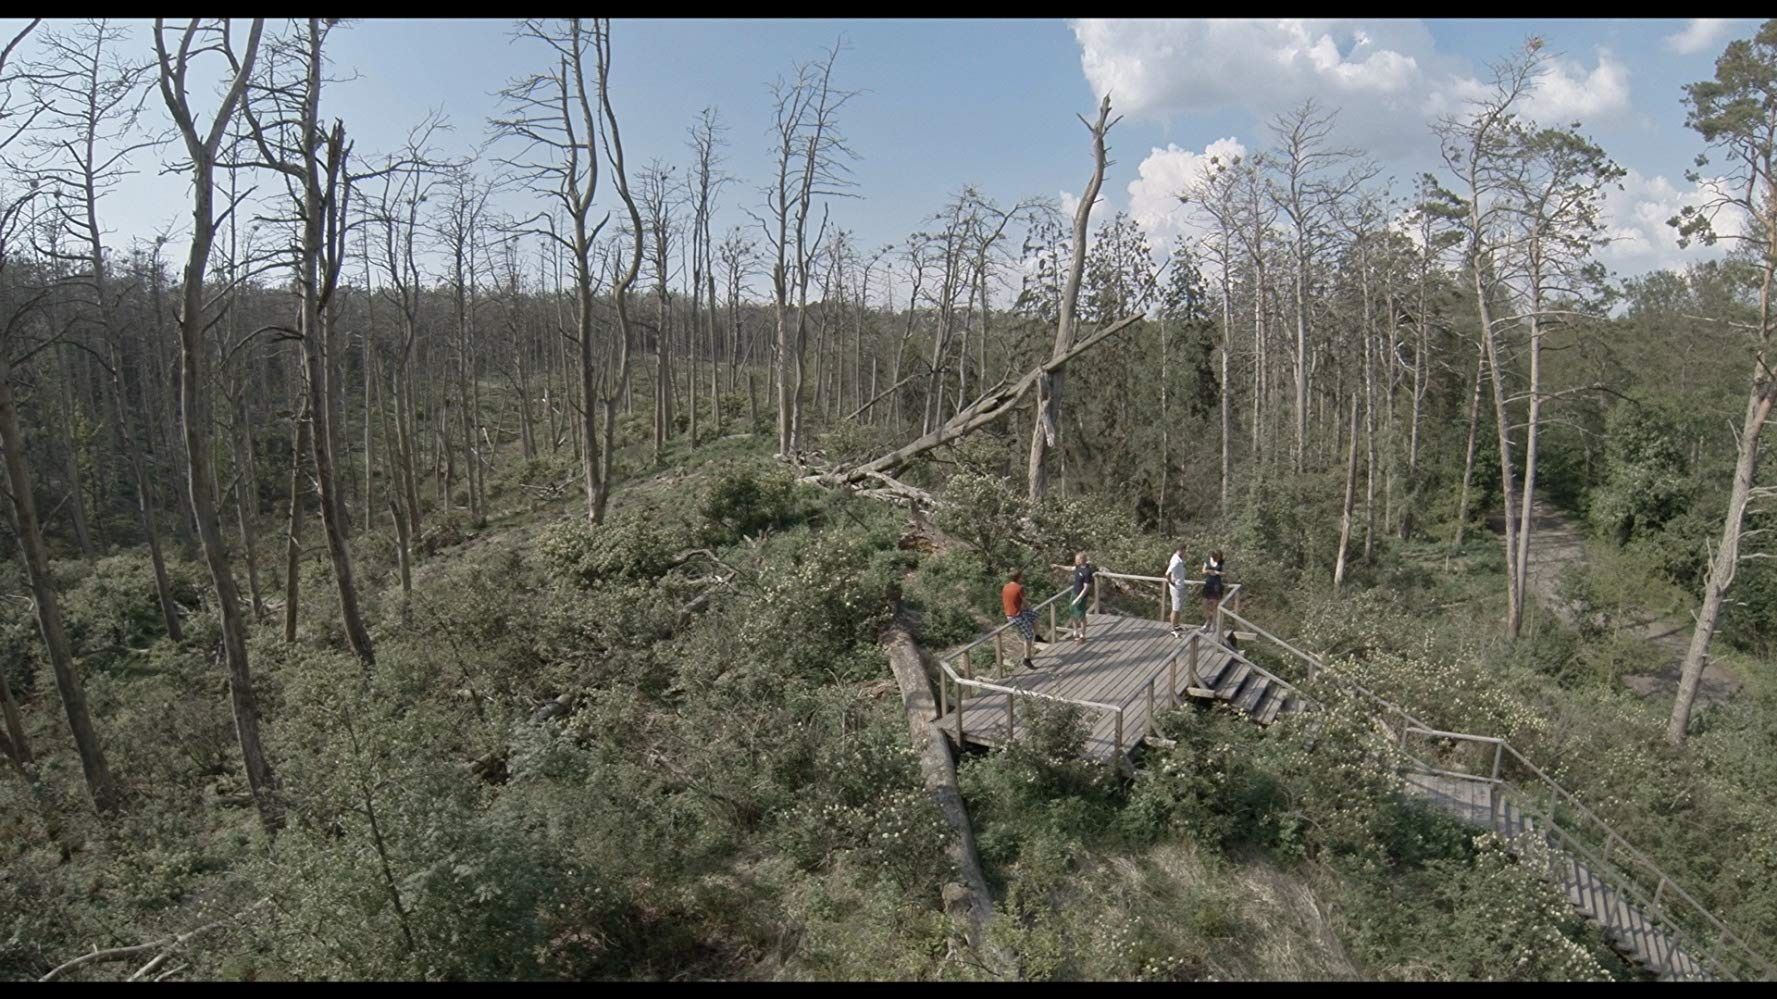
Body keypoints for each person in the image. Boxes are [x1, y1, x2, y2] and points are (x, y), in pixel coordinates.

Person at [1001, 569, 1041, 669]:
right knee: (1028, 636)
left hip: (1014, 612)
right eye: (1021, 576)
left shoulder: (1005, 586)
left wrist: (1029, 611)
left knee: (1035, 615)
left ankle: (1037, 636)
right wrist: (1028, 608)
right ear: (1019, 577)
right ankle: (1027, 659)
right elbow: (1025, 602)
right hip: (1015, 616)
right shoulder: (1019, 588)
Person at [1067, 551, 1096, 642]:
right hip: (1074, 593)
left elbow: (1086, 588)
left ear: (1082, 560)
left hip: (1081, 596)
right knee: (1073, 613)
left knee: (1081, 616)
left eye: (1077, 559)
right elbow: (1070, 568)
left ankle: (1082, 635)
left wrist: (1078, 599)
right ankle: (1075, 633)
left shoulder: (1087, 572)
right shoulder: (1078, 567)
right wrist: (1058, 566)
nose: (1075, 560)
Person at [1166, 543, 1191, 637]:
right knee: (1175, 609)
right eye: (1185, 550)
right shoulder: (1176, 561)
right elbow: (1167, 574)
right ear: (1182, 550)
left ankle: (1176, 625)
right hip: (1176, 588)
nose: (1186, 552)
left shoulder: (1179, 559)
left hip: (1180, 586)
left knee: (1179, 607)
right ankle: (1173, 629)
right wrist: (1172, 583)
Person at [1201, 549, 1226, 633]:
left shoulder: (1222, 562)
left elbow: (1224, 573)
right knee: (1205, 604)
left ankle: (1213, 624)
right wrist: (1208, 571)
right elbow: (1203, 571)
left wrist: (1217, 572)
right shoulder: (1207, 560)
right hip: (1208, 583)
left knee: (1214, 606)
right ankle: (1208, 620)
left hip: (1216, 583)